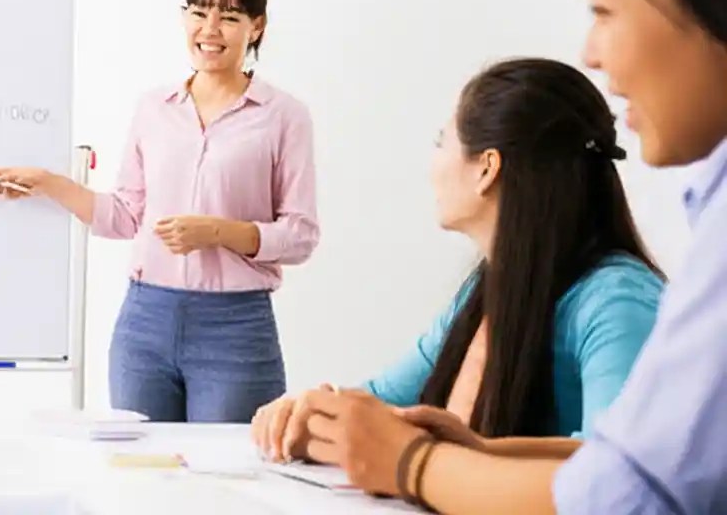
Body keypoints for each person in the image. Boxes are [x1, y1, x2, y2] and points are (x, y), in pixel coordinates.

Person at [284, 0, 727, 512]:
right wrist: (335, 418)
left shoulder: (614, 296)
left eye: (605, 6)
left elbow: (633, 491)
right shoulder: (483, 291)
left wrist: (419, 465)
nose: (591, 50)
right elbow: (641, 461)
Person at [251, 57, 664, 462]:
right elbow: (380, 403)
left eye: (440, 141)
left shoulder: (616, 301)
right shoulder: (483, 291)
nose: (431, 165)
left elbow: (620, 475)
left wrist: (437, 460)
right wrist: (308, 414)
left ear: (487, 168)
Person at [0, 0, 320, 423]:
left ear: (256, 27)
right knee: (141, 476)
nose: (211, 29)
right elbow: (124, 216)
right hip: (145, 323)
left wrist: (219, 232)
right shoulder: (154, 108)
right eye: (199, 13)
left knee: (225, 478)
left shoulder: (284, 115)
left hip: (235, 327)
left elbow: (301, 235)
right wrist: (49, 184)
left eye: (229, 17)